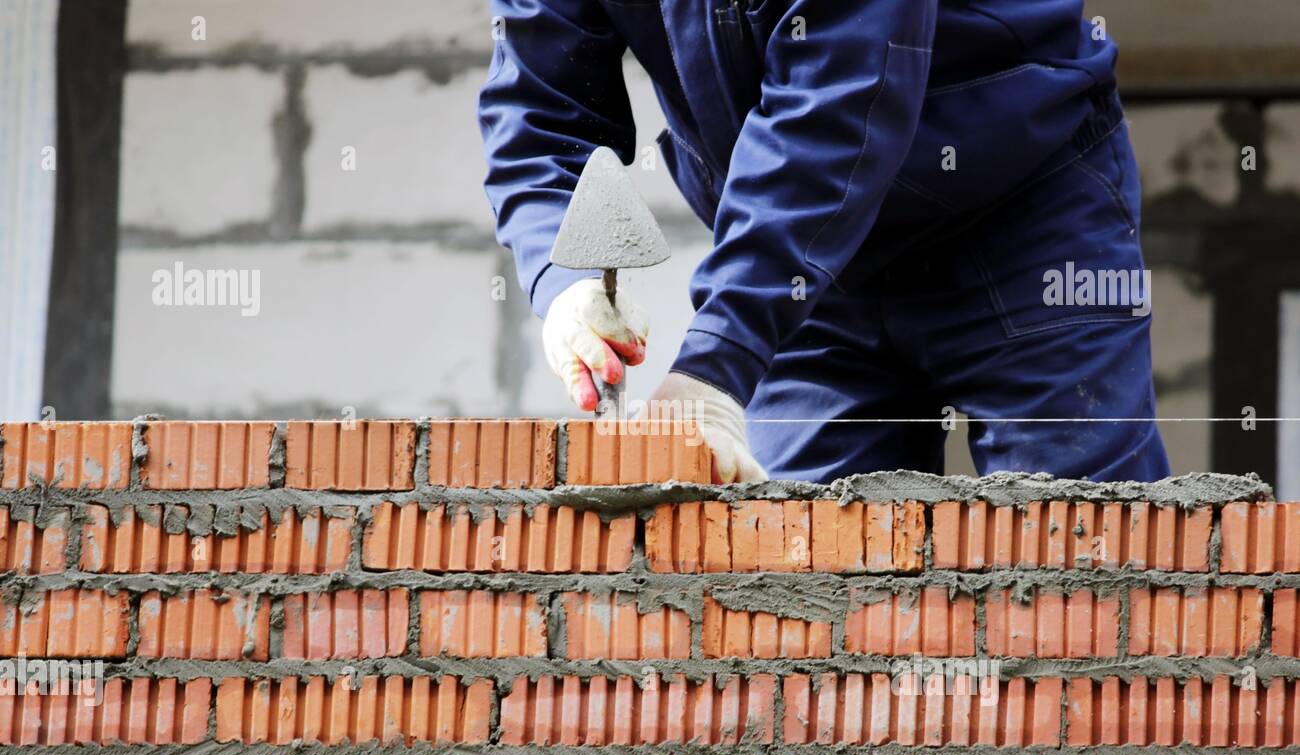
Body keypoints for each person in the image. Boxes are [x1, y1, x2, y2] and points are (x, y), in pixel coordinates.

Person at [479, 0, 1171, 483]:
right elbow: (539, 112)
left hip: (1021, 213)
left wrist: (717, 365)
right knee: (803, 604)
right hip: (802, 278)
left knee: (1087, 569)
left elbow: (839, 108)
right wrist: (562, 275)